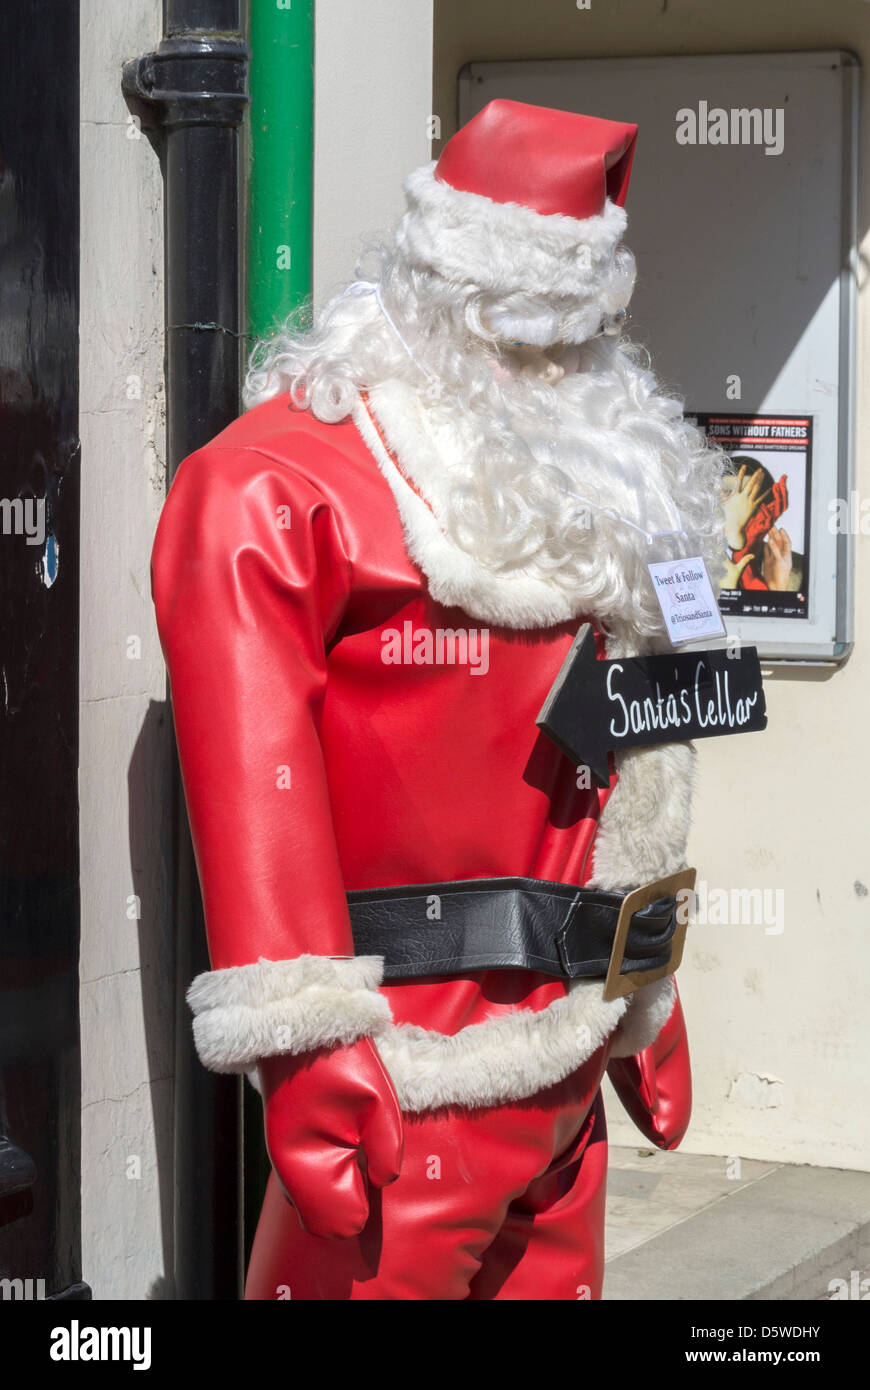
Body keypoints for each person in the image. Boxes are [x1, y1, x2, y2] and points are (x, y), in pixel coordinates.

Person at [151, 99, 724, 1300]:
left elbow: (639, 762)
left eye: (576, 339)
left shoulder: (603, 490)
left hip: (567, 1091)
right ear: (446, 293)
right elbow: (258, 776)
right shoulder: (274, 492)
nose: (557, 372)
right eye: (527, 336)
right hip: (408, 1090)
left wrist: (645, 988)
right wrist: (308, 1045)